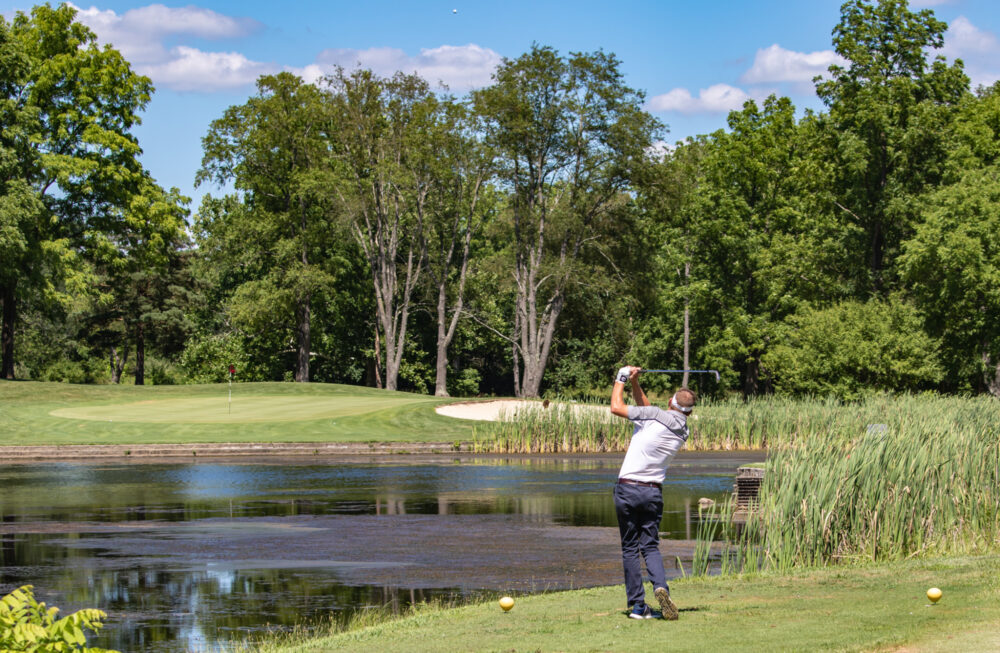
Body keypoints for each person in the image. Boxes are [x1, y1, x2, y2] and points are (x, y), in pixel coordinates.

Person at [610, 365, 696, 620]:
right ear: (689, 411)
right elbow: (647, 410)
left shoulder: (655, 415)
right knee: (650, 546)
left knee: (629, 548)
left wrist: (622, 377)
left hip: (627, 489)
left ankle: (638, 606)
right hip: (652, 493)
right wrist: (636, 384)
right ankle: (661, 588)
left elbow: (616, 407)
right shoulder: (682, 430)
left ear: (670, 402)